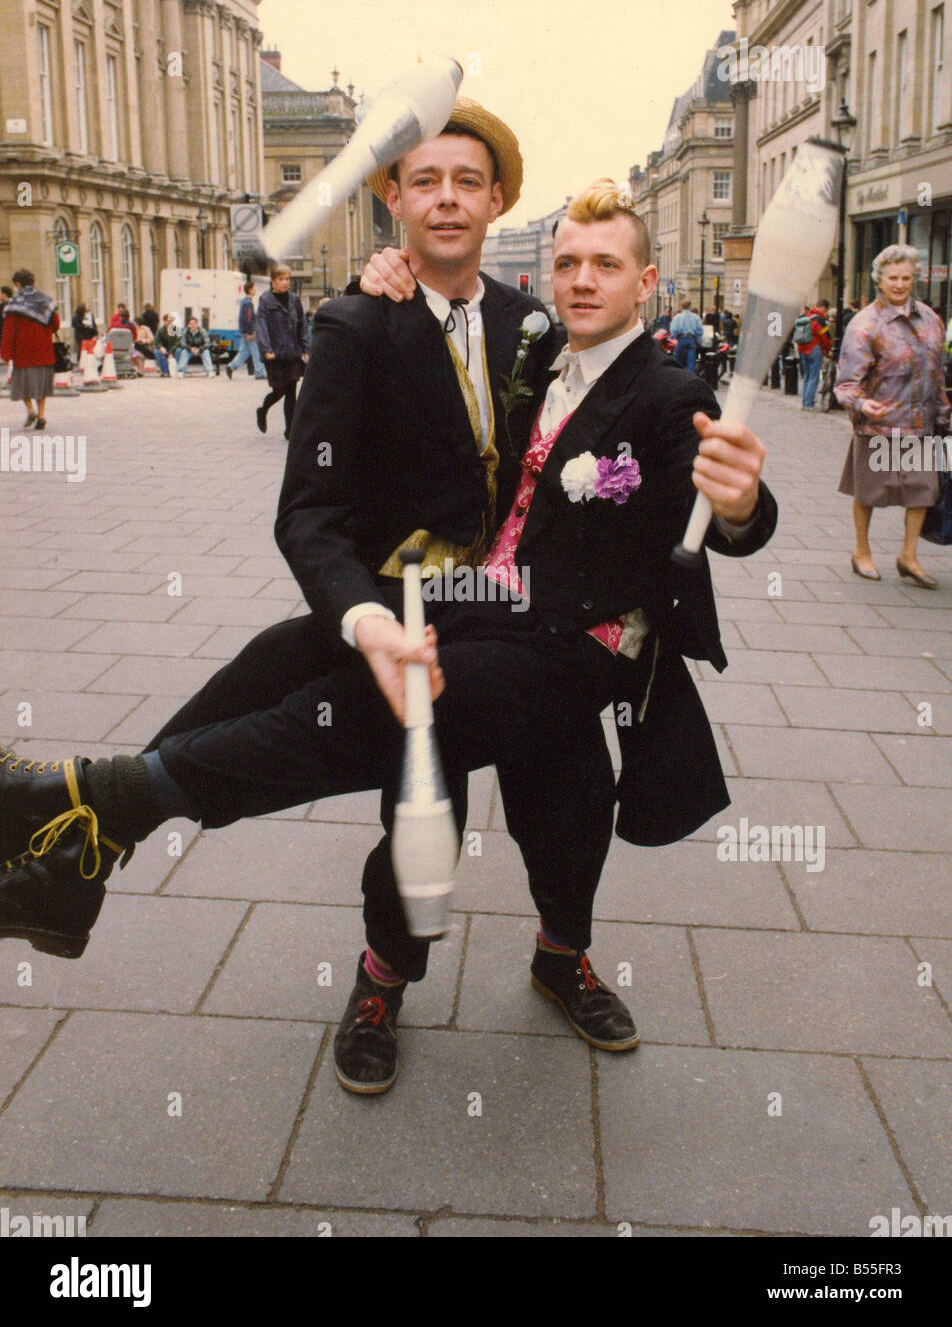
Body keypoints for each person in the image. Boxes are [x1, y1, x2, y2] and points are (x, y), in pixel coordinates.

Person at [0, 126, 774, 1097]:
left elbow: (705, 485)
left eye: (468, 182)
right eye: (423, 183)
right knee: (304, 675)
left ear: (498, 202)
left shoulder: (538, 327)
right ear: (392, 202)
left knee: (567, 812)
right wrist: (365, 618)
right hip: (434, 604)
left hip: (538, 632)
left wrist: (738, 505)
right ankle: (364, 971)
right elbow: (310, 514)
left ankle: (95, 806)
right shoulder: (359, 320)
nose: (447, 199)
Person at [837, 244, 949, 587]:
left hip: (920, 424)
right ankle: (861, 551)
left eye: (906, 278)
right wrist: (861, 404)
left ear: (914, 279)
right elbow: (846, 382)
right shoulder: (865, 324)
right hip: (878, 426)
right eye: (893, 278)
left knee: (922, 491)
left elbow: (938, 373)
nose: (900, 284)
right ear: (879, 281)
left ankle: (908, 556)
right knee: (869, 492)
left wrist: (944, 415)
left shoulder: (930, 319)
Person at [0, 268, 60, 429]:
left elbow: (9, 331)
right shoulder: (46, 301)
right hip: (43, 351)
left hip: (23, 352)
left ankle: (30, 411)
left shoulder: (14, 304)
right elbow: (55, 325)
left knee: (22, 384)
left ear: (18, 284)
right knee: (41, 384)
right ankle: (41, 415)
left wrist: (6, 354)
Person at [254, 264, 309, 437]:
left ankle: (290, 431)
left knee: (291, 392)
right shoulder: (266, 300)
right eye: (281, 279)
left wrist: (306, 348)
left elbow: (303, 325)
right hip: (275, 354)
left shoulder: (294, 299)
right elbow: (261, 326)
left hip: (292, 353)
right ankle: (262, 410)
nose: (285, 282)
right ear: (273, 281)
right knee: (279, 391)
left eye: (287, 279)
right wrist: (266, 349)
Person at [793, 301, 831, 410]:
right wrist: (828, 349)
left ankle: (805, 402)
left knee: (806, 376)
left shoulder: (806, 317)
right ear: (823, 308)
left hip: (802, 348)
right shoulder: (819, 320)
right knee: (814, 377)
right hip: (814, 348)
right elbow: (825, 337)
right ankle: (809, 403)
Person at [225, 282, 266, 381]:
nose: (256, 290)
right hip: (250, 332)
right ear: (250, 290)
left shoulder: (244, 302)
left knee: (244, 352)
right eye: (254, 288)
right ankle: (259, 373)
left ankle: (231, 367)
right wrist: (250, 332)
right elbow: (248, 319)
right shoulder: (248, 303)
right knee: (257, 351)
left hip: (244, 332)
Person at [670, 298, 703, 372]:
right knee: (691, 362)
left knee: (677, 360)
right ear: (690, 306)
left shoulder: (678, 317)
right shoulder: (696, 317)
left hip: (681, 338)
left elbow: (674, 330)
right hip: (691, 339)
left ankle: (677, 375)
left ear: (682, 307)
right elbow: (700, 330)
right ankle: (690, 378)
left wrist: (675, 337)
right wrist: (697, 339)